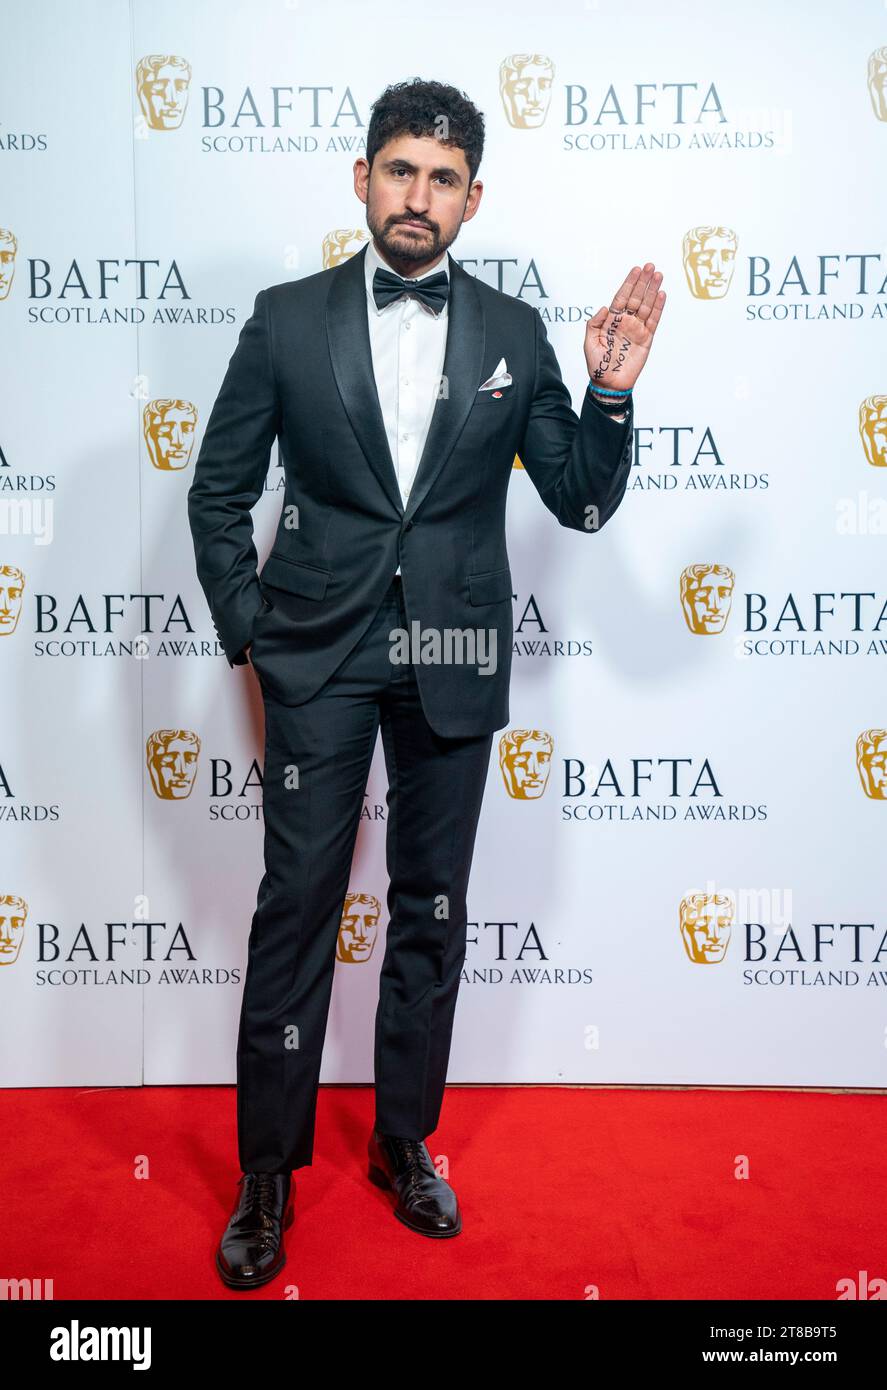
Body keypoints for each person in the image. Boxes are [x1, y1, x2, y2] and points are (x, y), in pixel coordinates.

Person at [187, 76, 665, 1290]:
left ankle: (404, 1140)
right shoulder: (286, 321)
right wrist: (256, 634)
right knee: (294, 904)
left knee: (432, 908)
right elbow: (216, 491)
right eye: (399, 170)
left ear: (472, 199)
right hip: (321, 655)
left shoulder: (510, 333)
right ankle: (265, 1172)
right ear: (362, 180)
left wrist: (608, 390)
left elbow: (581, 499)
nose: (419, 195)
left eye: (442, 178)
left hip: (450, 655)